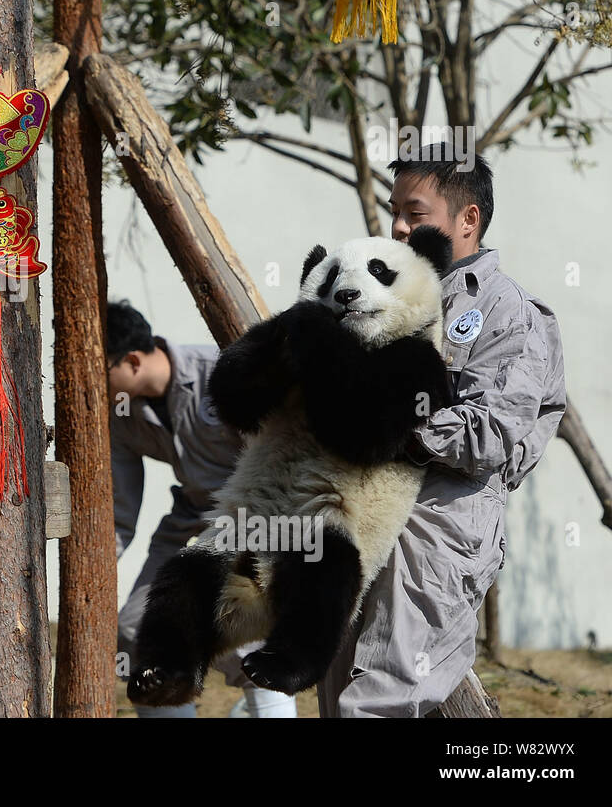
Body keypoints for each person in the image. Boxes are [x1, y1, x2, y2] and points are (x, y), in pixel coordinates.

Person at [317, 142, 566, 717]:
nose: (398, 227)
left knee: (373, 707)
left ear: (467, 219)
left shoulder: (510, 313)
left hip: (434, 538)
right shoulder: (377, 296)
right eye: (394, 211)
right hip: (355, 525)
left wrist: (394, 418)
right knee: (337, 701)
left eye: (416, 213)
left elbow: (492, 437)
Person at [109, 300, 297, 718]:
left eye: (98, 370)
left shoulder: (218, 371)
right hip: (190, 520)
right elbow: (119, 513)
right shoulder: (119, 412)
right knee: (136, 627)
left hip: (257, 521)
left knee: (241, 631)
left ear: (133, 361)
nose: (90, 385)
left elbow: (282, 454)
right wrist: (93, 577)